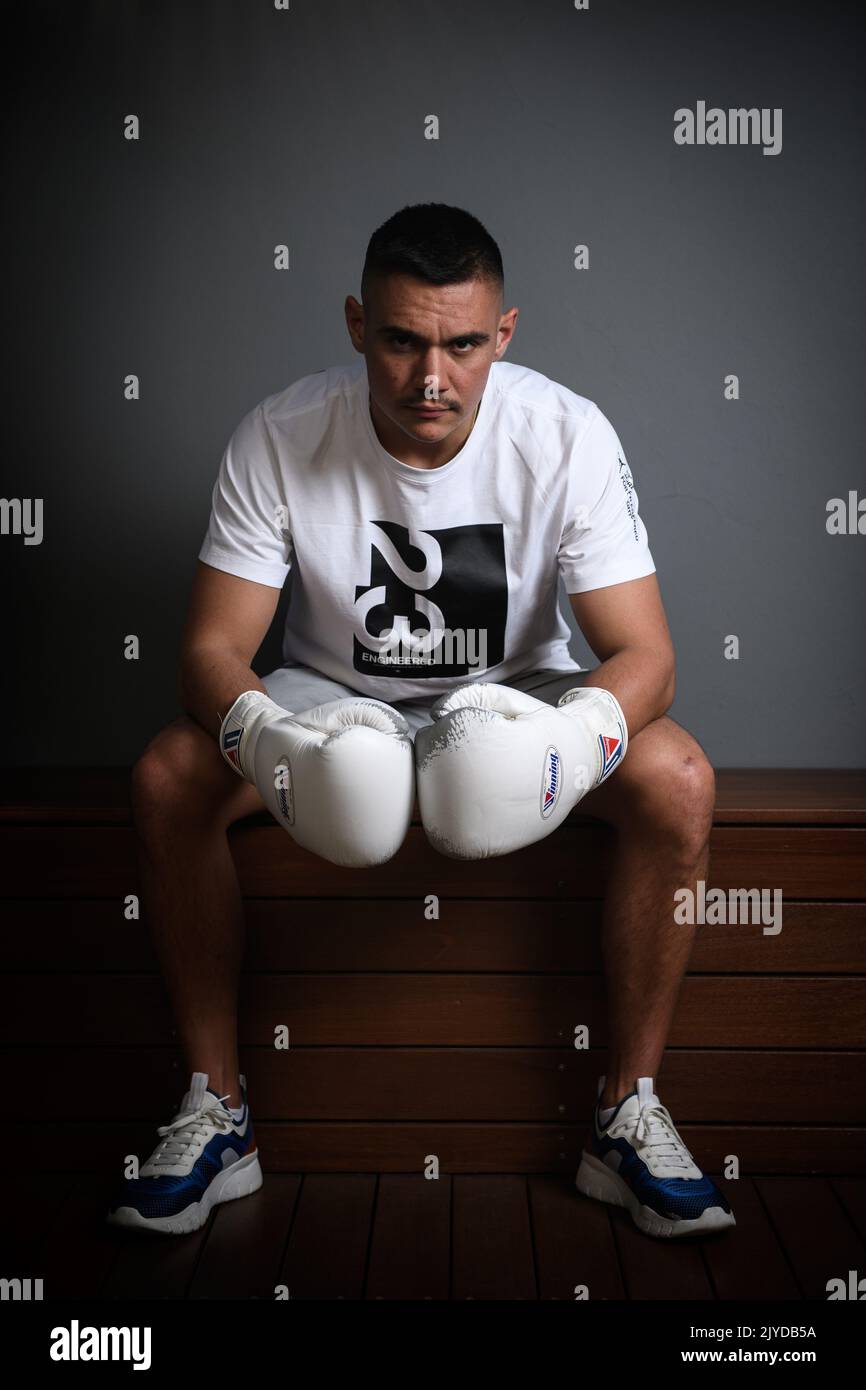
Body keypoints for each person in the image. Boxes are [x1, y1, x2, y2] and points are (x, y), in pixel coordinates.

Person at [107, 203, 734, 1241]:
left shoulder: (563, 433)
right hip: (324, 693)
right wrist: (269, 738)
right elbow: (209, 655)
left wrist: (563, 738)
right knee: (168, 778)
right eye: (401, 340)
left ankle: (626, 1112)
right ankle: (216, 1110)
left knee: (678, 781)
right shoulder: (279, 434)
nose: (429, 377)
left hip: (517, 690)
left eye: (461, 344)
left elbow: (647, 656)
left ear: (505, 334)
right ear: (357, 324)